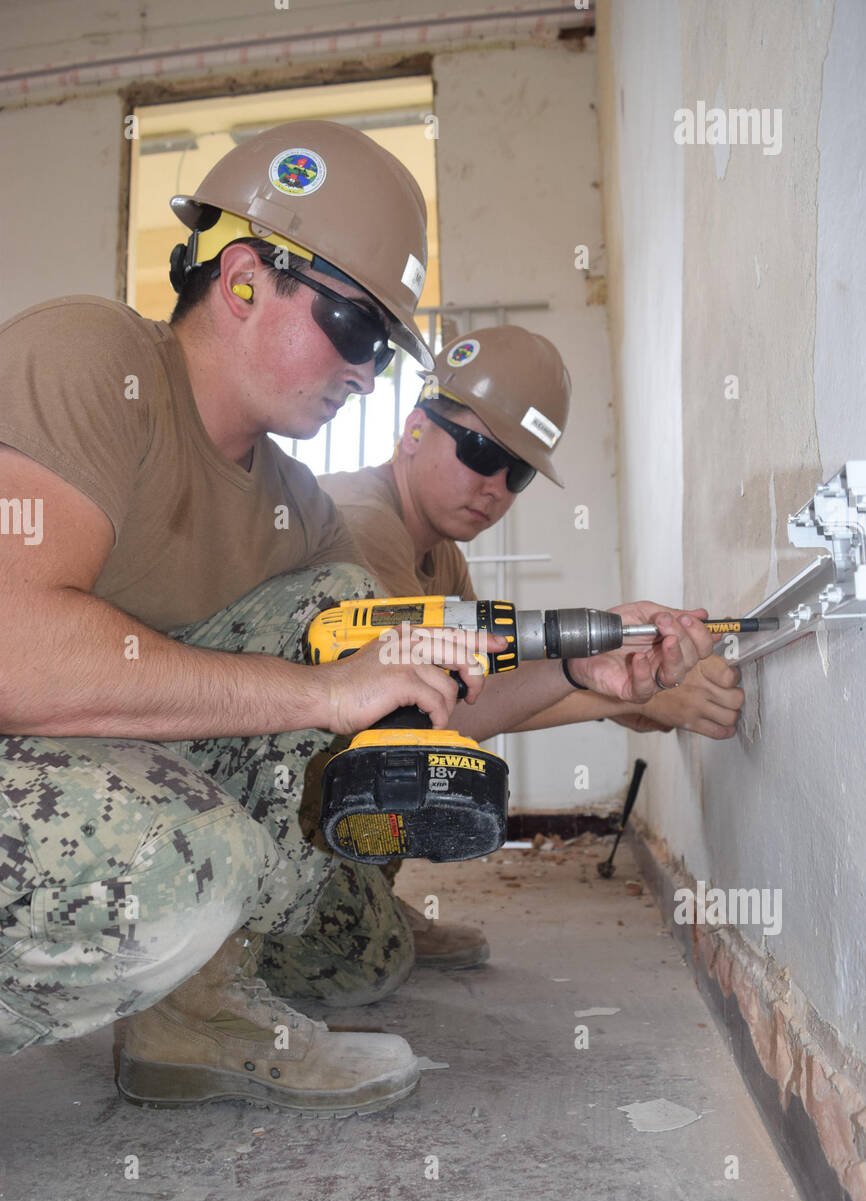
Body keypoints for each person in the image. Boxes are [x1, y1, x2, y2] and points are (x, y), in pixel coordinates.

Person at [0, 124, 713, 1116]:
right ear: (244, 278)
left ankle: (194, 1016)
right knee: (185, 867)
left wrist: (580, 671)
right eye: (359, 331)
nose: (370, 373)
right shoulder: (95, 362)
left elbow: (401, 673)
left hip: (106, 765)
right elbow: (15, 653)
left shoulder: (296, 505)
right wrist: (316, 690)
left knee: (344, 641)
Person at [267, 327, 741, 977]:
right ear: (414, 428)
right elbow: (420, 722)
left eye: (516, 471)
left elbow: (482, 695)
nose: (495, 486)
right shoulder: (362, 521)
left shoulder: (443, 561)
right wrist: (628, 693)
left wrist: (628, 691)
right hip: (270, 804)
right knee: (360, 969)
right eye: (480, 451)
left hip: (313, 795)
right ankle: (280, 917)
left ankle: (360, 894)